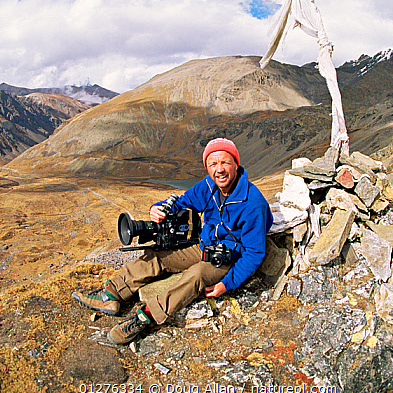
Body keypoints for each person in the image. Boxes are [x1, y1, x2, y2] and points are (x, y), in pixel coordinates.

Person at [72, 138, 274, 344]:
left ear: (236, 164)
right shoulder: (207, 186)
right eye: (213, 164)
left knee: (195, 275)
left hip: (229, 258)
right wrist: (158, 208)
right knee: (156, 256)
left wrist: (227, 283)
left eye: (225, 162)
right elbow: (182, 202)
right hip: (204, 246)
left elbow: (253, 253)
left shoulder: (252, 202)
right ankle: (112, 294)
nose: (219, 170)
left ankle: (145, 317)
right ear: (207, 167)